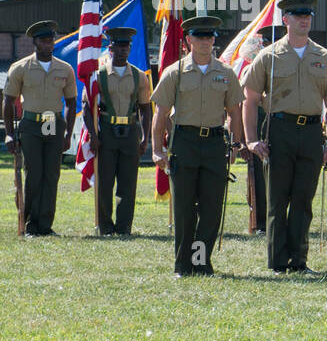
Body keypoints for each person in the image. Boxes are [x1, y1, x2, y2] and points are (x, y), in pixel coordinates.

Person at [242, 0, 327, 275]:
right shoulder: (269, 56)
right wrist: (250, 140)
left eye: (308, 15)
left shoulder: (323, 57)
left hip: (311, 133)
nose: (304, 20)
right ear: (285, 20)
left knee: (303, 199)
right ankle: (277, 261)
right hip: (279, 131)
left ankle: (298, 261)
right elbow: (249, 100)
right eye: (298, 15)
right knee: (277, 199)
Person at [150, 16, 246, 276]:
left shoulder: (225, 73)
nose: (205, 41)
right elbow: (160, 114)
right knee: (184, 208)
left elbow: (235, 112)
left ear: (214, 39)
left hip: (215, 144)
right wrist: (157, 149)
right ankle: (183, 265)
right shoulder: (175, 73)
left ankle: (201, 262)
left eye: (210, 36)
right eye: (199, 37)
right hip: (185, 143)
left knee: (211, 207)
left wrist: (235, 145)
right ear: (188, 40)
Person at [2, 21, 76, 237]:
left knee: (51, 174)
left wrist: (68, 134)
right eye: (44, 40)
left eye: (51, 40)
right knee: (33, 173)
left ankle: (45, 225)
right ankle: (29, 223)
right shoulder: (21, 67)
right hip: (31, 124)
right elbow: (8, 102)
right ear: (34, 42)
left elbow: (71, 103)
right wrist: (8, 133)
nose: (48, 44)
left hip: (54, 123)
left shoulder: (65, 68)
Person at [85, 27, 153, 235]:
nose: (123, 50)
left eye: (127, 46)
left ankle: (124, 227)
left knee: (128, 182)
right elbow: (88, 108)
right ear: (111, 48)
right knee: (105, 182)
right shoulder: (99, 75)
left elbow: (145, 108)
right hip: (106, 131)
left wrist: (145, 137)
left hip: (130, 131)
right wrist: (93, 136)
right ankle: (105, 226)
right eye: (119, 46)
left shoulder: (139, 76)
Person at [243, 24, 285, 234]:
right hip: (260, 124)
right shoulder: (255, 66)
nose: (272, 46)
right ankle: (260, 221)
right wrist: (245, 140)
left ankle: (282, 219)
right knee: (259, 177)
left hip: (281, 125)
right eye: (269, 42)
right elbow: (245, 103)